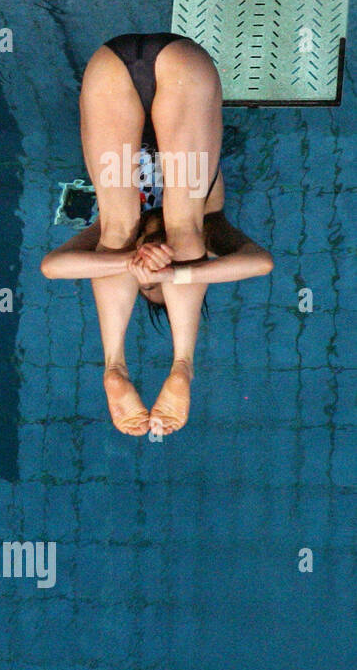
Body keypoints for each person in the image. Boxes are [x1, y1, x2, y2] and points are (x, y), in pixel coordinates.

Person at [41, 34, 273, 436]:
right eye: (156, 276)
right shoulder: (210, 222)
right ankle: (183, 364)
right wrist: (177, 273)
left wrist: (126, 259)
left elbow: (52, 268)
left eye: (141, 280)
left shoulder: (109, 231)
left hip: (110, 71)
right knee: (186, 230)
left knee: (118, 228)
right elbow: (261, 264)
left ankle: (114, 365)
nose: (150, 269)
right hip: (185, 70)